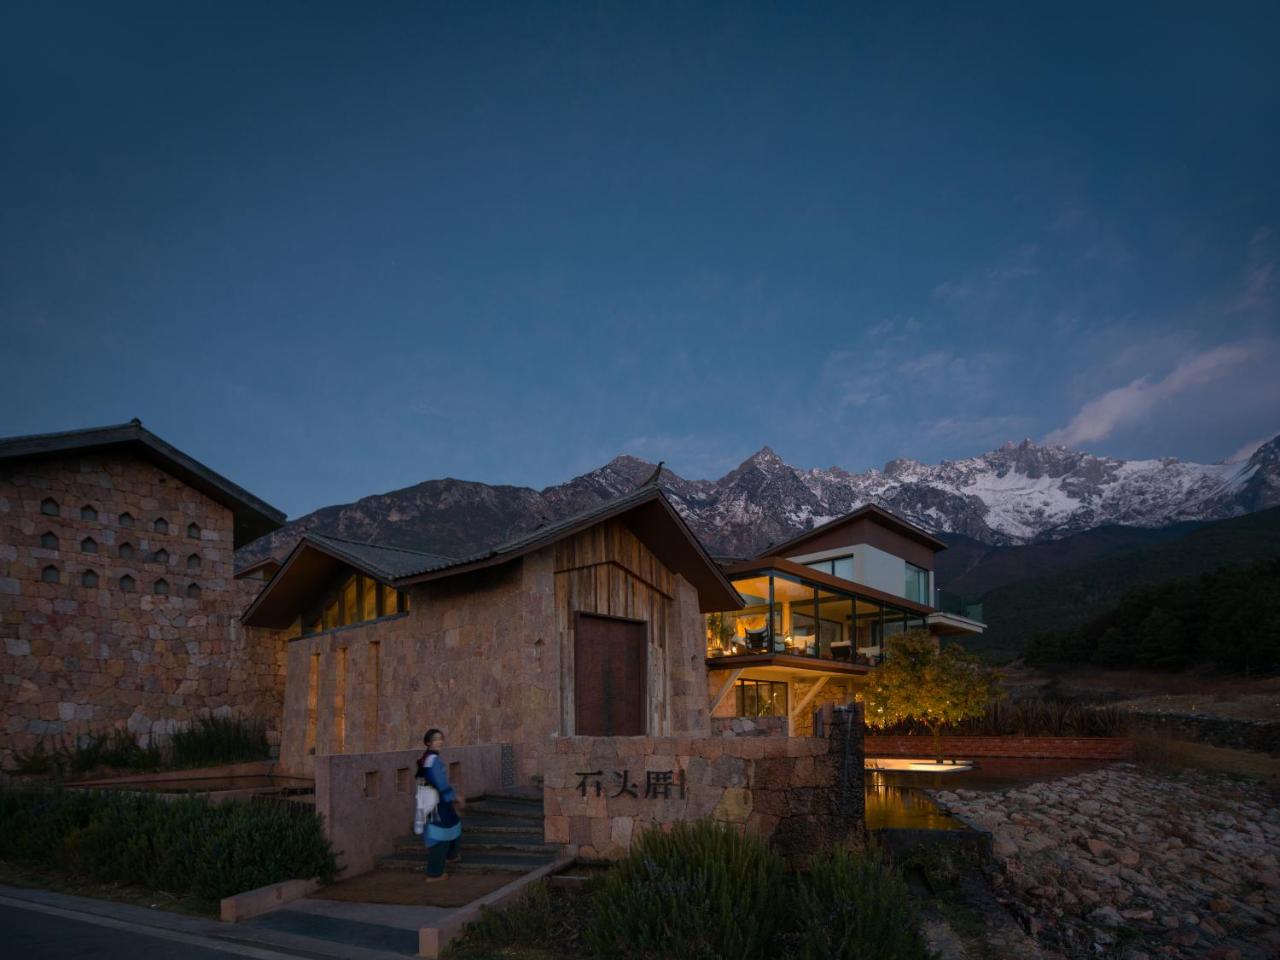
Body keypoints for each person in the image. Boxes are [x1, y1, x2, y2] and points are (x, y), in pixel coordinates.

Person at [418, 728, 463, 882]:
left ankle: (452, 855)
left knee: (454, 826)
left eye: (440, 738)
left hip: (438, 800)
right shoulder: (431, 760)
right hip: (436, 802)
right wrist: (454, 797)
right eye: (435, 739)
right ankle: (434, 874)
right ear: (428, 742)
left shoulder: (428, 758)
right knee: (439, 835)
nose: (439, 742)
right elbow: (439, 782)